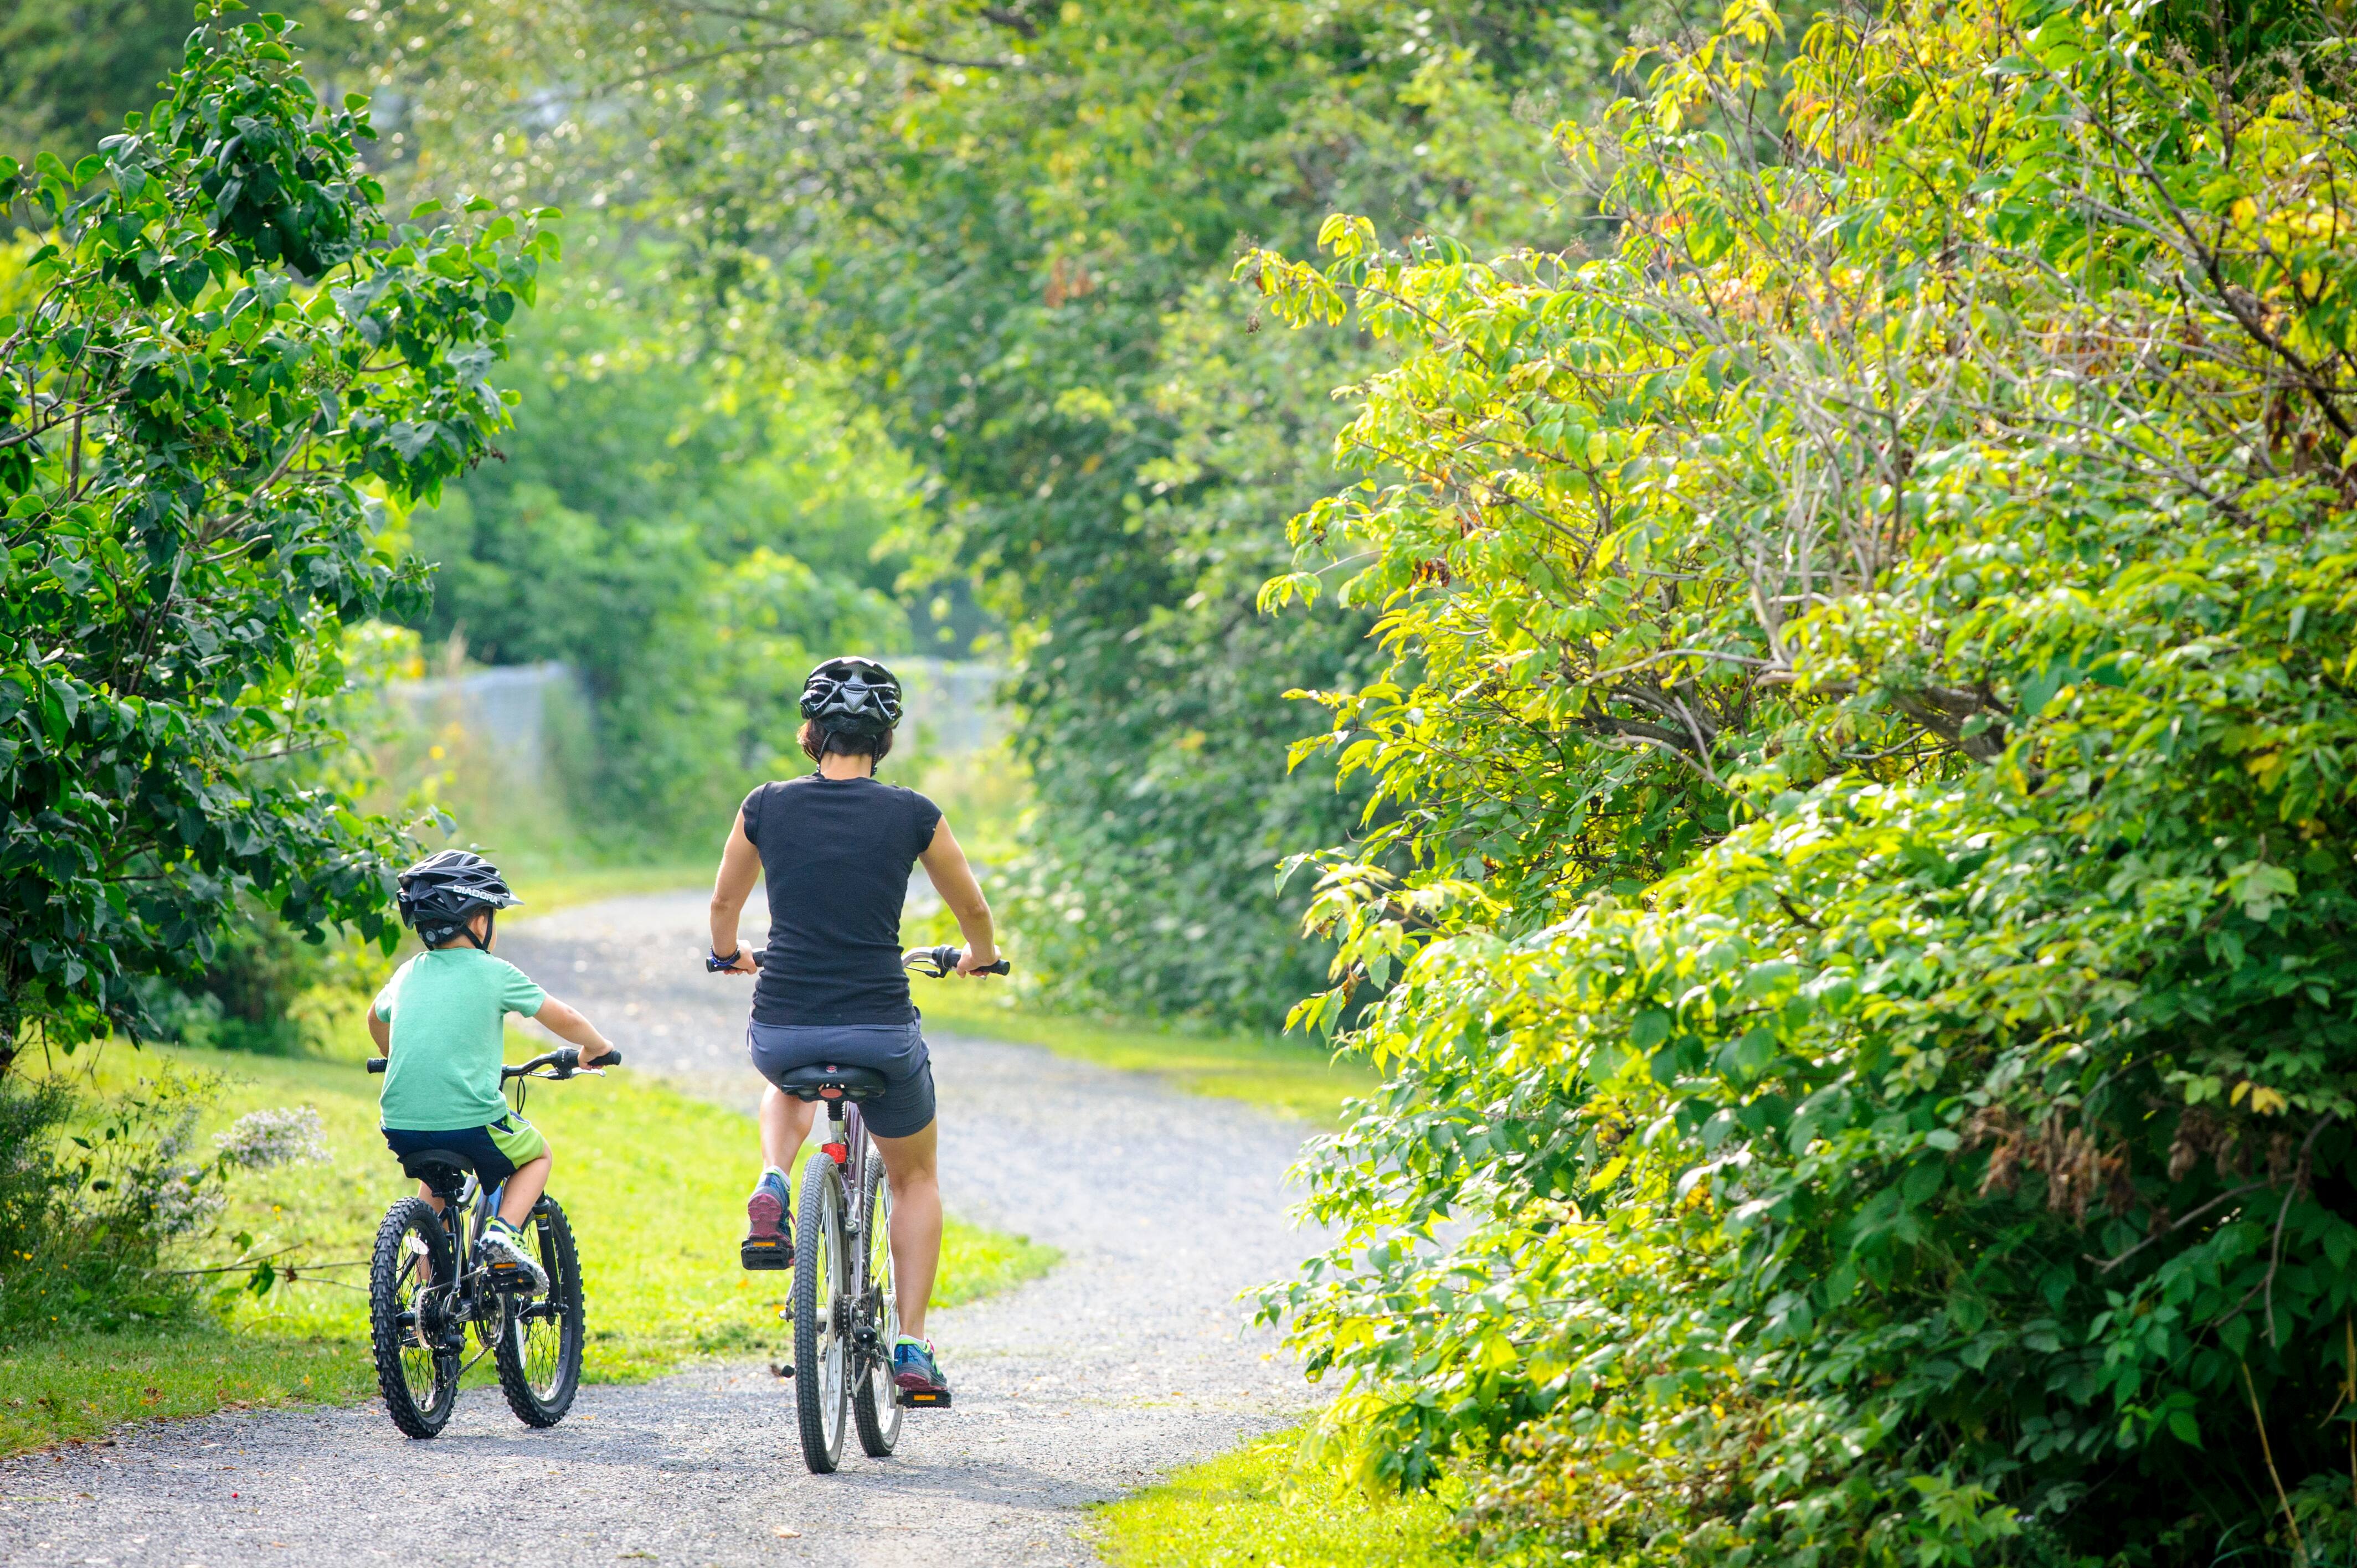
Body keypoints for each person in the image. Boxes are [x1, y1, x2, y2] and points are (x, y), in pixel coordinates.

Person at [707, 656, 1000, 1401]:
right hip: (880, 1029)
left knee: (786, 1079)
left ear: (812, 731)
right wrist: (980, 958)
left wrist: (730, 955)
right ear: (885, 736)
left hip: (787, 1024)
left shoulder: (764, 805)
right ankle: (910, 1344)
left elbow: (722, 908)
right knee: (916, 1177)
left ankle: (775, 1179)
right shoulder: (913, 814)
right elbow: (973, 912)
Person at [371, 849, 616, 1291]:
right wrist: (595, 1047)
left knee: (435, 1183)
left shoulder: (407, 973)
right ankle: (502, 1235)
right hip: (471, 1121)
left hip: (401, 1124)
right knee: (537, 1155)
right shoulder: (494, 973)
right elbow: (560, 1016)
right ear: (479, 922)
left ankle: (431, 1293)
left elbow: (375, 1018)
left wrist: (399, 1057)